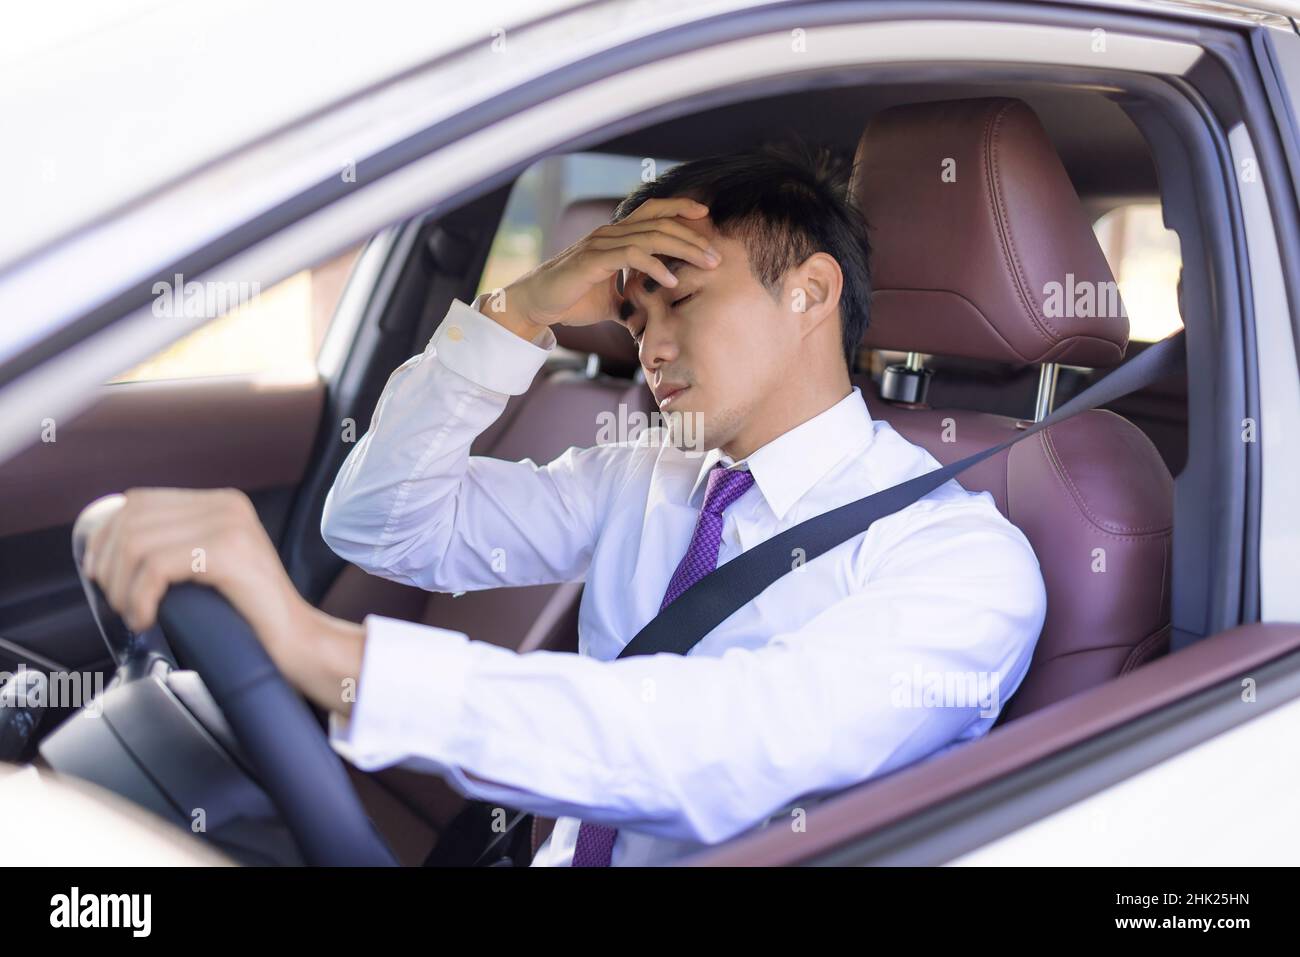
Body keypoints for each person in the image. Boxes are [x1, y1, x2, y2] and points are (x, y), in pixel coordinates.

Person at [85, 142, 1047, 866]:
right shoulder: (644, 473)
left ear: (810, 291)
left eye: (678, 299)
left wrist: (325, 652)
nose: (649, 346)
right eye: (631, 317)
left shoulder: (960, 563)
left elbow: (721, 744)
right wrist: (521, 310)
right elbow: (379, 522)